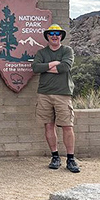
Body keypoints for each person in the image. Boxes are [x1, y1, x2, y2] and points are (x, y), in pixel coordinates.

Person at [32, 24, 79, 173]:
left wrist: (45, 67)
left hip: (63, 93)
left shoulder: (67, 51)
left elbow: (65, 67)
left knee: (67, 126)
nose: (54, 35)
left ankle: (70, 158)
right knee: (48, 125)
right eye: (51, 33)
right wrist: (53, 64)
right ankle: (55, 156)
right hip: (44, 93)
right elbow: (35, 68)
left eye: (57, 33)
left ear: (61, 36)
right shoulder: (41, 52)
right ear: (47, 36)